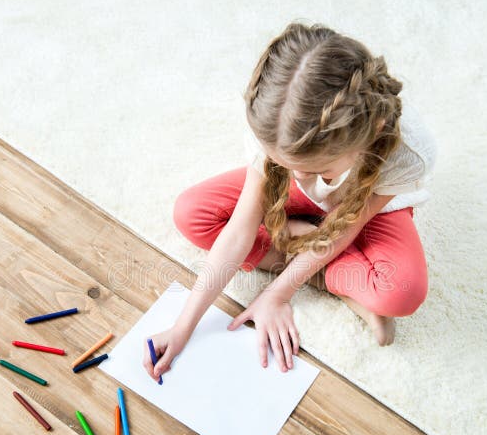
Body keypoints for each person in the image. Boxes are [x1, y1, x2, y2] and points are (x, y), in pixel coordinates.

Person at [143, 21, 437, 381]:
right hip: (295, 198)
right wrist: (182, 327)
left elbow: (346, 227)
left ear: (367, 137)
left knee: (402, 293)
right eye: (285, 164)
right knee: (191, 214)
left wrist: (277, 294)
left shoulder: (409, 150)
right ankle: (330, 278)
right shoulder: (276, 119)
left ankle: (313, 265)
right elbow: (239, 232)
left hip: (363, 208)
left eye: (318, 169)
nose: (300, 176)